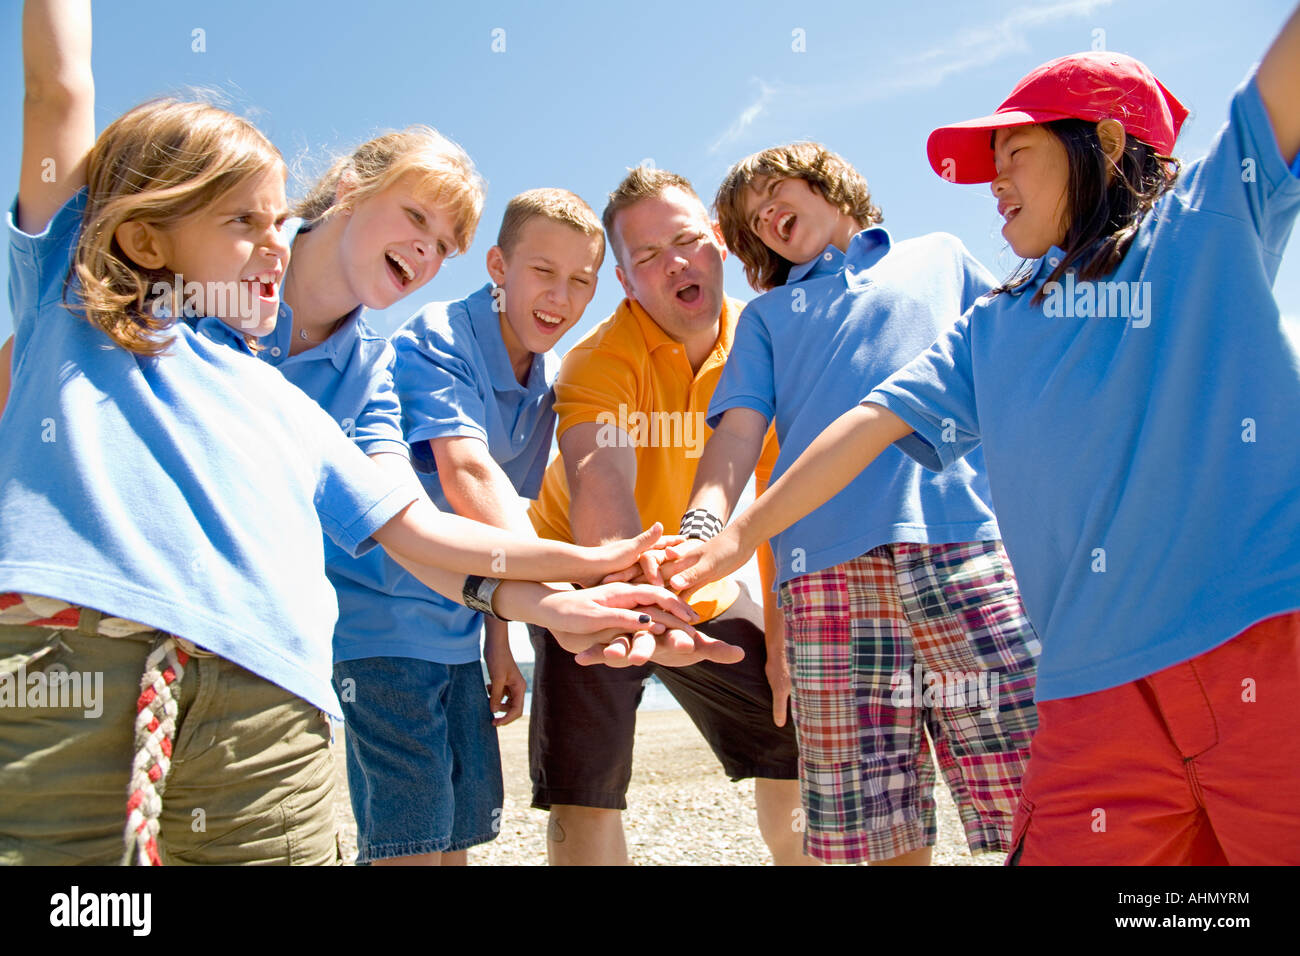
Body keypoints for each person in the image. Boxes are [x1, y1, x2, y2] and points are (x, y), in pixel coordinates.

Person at [0, 0, 722, 866]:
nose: (272, 243)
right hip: (81, 653)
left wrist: (580, 584)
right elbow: (57, 83)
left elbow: (416, 530)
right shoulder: (84, 295)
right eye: (416, 218)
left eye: (446, 241)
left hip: (270, 687)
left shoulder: (332, 392)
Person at [670, 8, 1300, 865]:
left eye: (1015, 156)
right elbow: (859, 426)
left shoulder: (1193, 227)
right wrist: (732, 532)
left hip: (1243, 640)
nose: (992, 183)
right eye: (751, 212)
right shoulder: (971, 326)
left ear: (1106, 146)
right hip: (1067, 683)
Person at [663, 142, 1039, 865]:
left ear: (831, 185)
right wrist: (703, 529)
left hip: (964, 546)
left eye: (777, 188)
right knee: (877, 826)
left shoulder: (940, 256)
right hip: (823, 577)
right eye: (751, 216)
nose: (767, 211)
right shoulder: (767, 318)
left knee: (1038, 782)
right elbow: (737, 433)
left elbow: (1017, 366)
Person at [526, 166, 813, 865]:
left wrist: (782, 639)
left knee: (797, 749)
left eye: (686, 241)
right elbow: (602, 482)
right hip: (593, 585)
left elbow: (782, 506)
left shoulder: (769, 343)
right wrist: (629, 579)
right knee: (583, 796)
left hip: (702, 588)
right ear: (624, 282)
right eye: (646, 257)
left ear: (719, 244)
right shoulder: (596, 361)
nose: (674, 264)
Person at [329, 188, 606, 865]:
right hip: (383, 625)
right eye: (543, 271)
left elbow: (500, 522)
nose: (561, 296)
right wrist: (577, 588)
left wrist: (499, 646)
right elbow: (470, 478)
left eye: (581, 281)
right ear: (498, 266)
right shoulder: (439, 336)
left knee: (456, 841)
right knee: (409, 842)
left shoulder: (547, 381)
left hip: (459, 627)